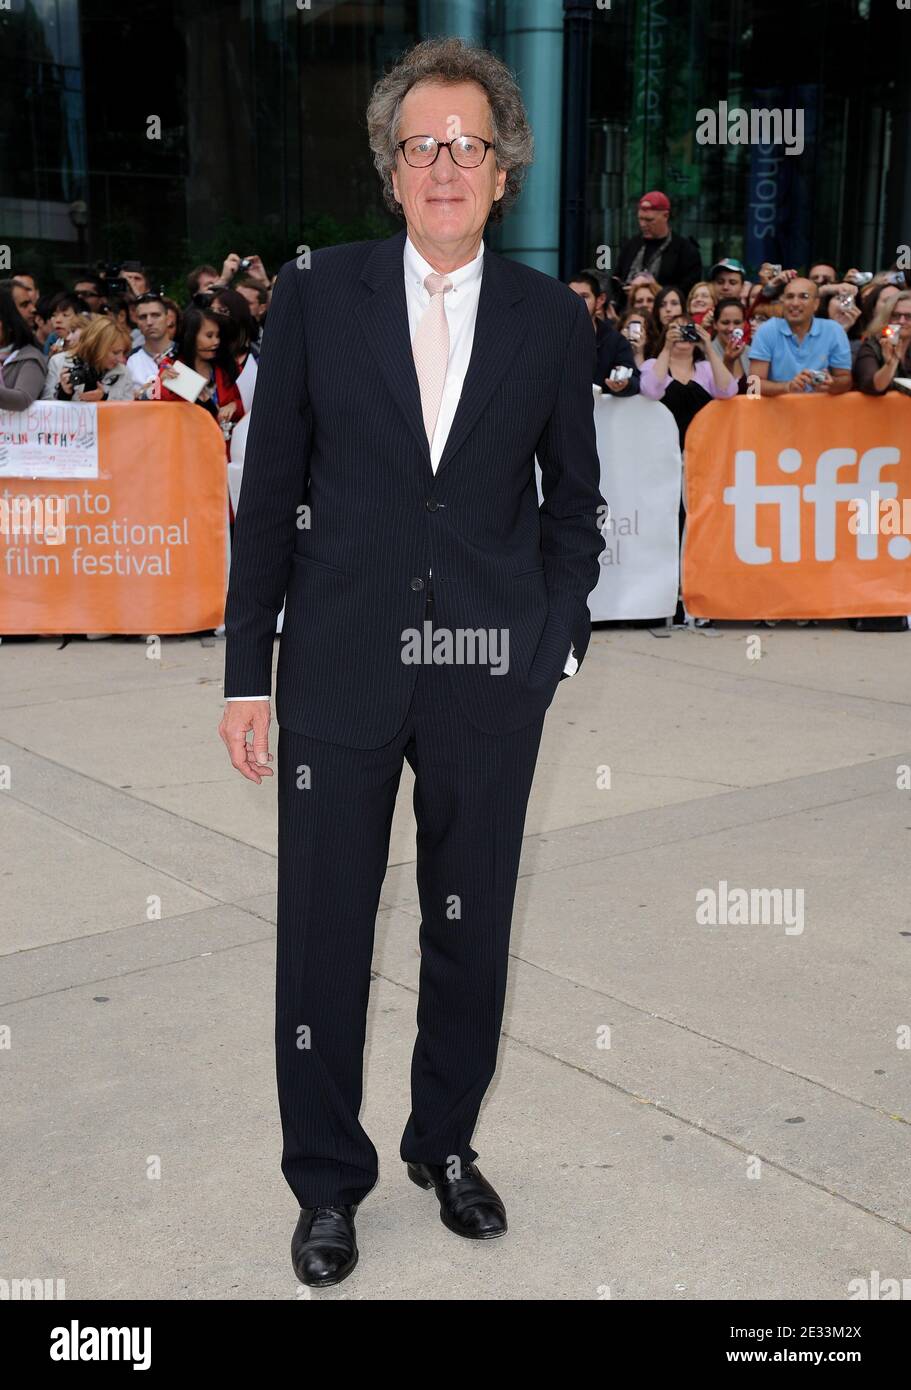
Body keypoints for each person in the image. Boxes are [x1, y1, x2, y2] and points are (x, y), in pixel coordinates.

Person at [220, 36, 605, 1289]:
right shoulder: (318, 293)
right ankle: (326, 1183)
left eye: (470, 146)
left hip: (489, 672)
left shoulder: (552, 320)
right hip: (336, 666)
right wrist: (243, 673)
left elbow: (572, 506)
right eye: (421, 145)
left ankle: (445, 1144)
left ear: (504, 174)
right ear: (391, 170)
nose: (446, 165)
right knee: (323, 932)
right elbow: (269, 493)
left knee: (469, 926)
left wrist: (547, 642)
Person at [158, 305, 244, 455]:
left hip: (228, 453)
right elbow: (160, 410)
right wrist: (163, 384)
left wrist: (235, 406)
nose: (216, 341)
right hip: (187, 453)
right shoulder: (172, 368)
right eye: (209, 336)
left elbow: (252, 401)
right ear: (191, 337)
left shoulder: (229, 367)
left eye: (218, 336)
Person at [747, 278, 852, 394]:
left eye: (804, 297)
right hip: (777, 411)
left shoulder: (834, 330)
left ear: (816, 304)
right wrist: (787, 387)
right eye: (790, 297)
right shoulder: (767, 330)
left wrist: (831, 384)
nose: (795, 303)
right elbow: (753, 386)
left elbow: (846, 380)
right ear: (783, 302)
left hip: (820, 409)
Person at [615, 191, 702, 305]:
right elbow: (618, 276)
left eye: (649, 220)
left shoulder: (686, 252)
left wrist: (655, 288)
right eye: (640, 219)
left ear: (665, 216)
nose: (643, 224)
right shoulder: (631, 245)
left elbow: (689, 293)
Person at [51, 316, 136, 402]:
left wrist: (104, 398)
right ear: (97, 348)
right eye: (115, 352)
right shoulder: (60, 363)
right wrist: (64, 393)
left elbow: (127, 412)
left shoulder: (123, 373)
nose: (121, 359)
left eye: (123, 353)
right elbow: (45, 409)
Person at [0, 279, 48, 409]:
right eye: (24, 304)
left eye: (31, 303)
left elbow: (22, 399)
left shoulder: (30, 357)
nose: (33, 309)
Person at [854, 291, 911, 393]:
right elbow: (871, 386)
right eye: (895, 315)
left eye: (909, 316)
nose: (902, 321)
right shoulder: (872, 347)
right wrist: (891, 364)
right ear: (887, 318)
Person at [127, 293, 175, 390]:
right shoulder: (129, 360)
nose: (149, 322)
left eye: (155, 315)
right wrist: (158, 383)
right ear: (137, 323)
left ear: (169, 319)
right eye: (143, 317)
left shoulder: (186, 353)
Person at [710, 296, 750, 389]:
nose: (731, 328)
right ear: (715, 324)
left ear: (744, 324)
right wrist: (728, 362)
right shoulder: (705, 354)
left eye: (737, 322)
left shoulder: (751, 352)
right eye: (725, 322)